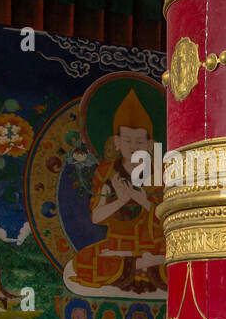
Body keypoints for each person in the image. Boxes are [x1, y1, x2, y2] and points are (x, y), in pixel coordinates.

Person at [70, 89, 165, 292]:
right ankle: (142, 263)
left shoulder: (160, 172)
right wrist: (120, 201)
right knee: (82, 261)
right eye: (127, 141)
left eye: (140, 141)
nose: (133, 146)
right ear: (117, 142)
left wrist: (144, 201)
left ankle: (141, 262)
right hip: (118, 245)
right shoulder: (106, 172)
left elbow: (170, 218)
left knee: (185, 257)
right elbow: (96, 217)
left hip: (154, 244)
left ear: (150, 144)